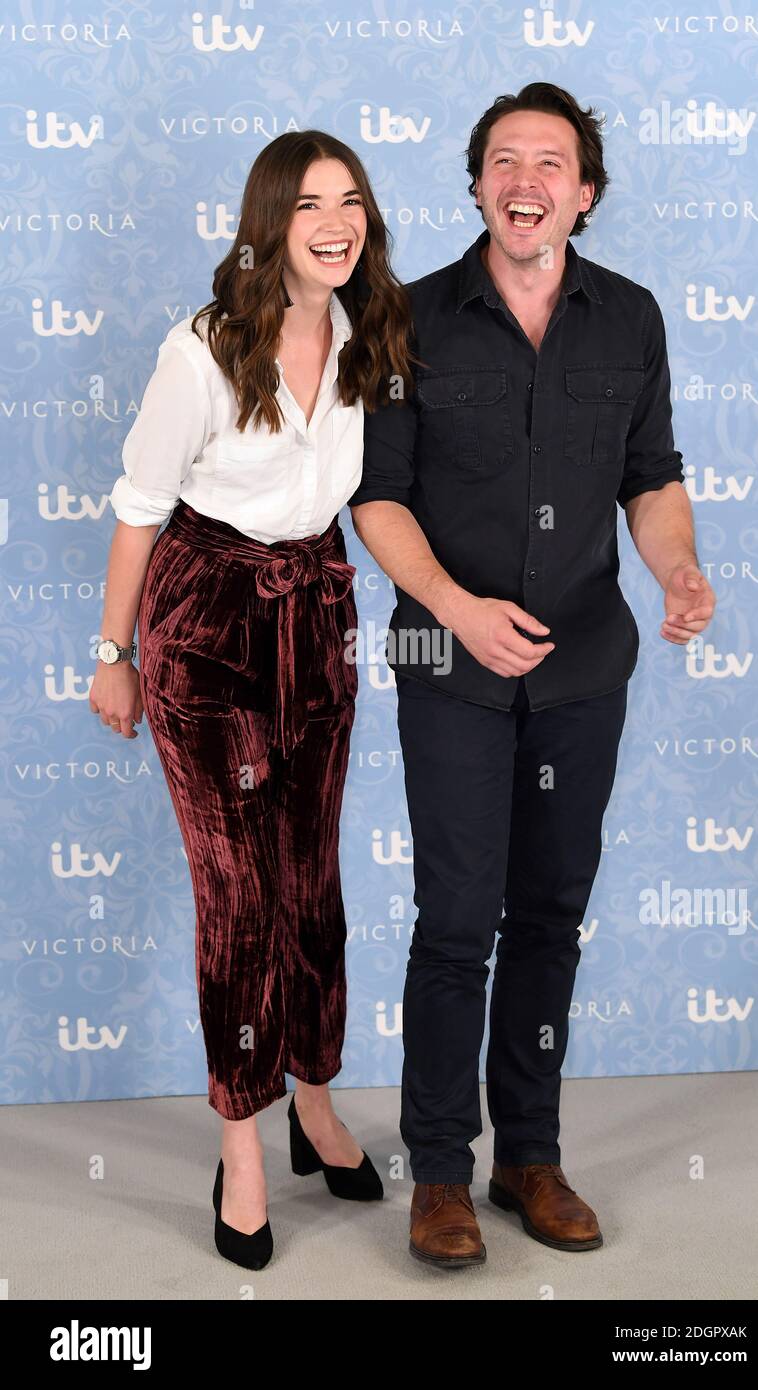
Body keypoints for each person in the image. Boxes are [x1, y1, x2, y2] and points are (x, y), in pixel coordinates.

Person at [349, 82, 717, 1269]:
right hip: (441, 660)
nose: (526, 179)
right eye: (503, 160)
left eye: (550, 162)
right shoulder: (403, 317)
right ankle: (437, 1173)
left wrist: (676, 567)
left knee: (549, 916)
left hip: (580, 666)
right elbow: (376, 497)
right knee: (455, 920)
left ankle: (529, 1158)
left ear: (583, 193)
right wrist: (455, 610)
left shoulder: (630, 318)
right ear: (475, 187)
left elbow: (649, 477)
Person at [90, 131, 416, 1269]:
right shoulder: (203, 349)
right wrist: (114, 652)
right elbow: (140, 505)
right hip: (210, 623)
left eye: (352, 201)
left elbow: (373, 492)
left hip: (316, 611)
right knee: (238, 898)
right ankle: (240, 1141)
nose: (336, 222)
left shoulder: (372, 331)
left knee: (311, 882)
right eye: (311, 202)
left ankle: (313, 1101)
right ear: (270, 219)